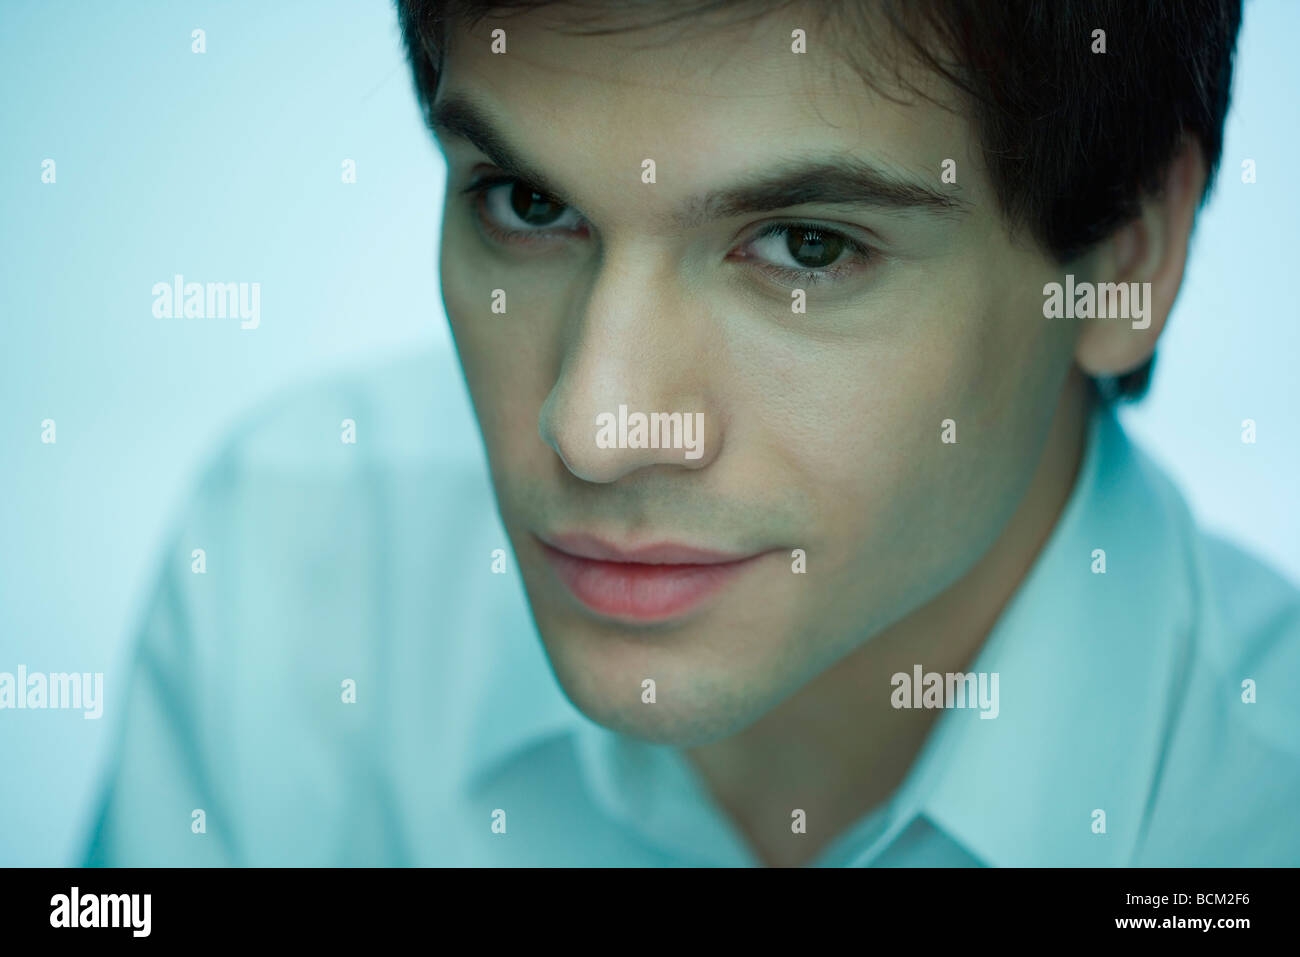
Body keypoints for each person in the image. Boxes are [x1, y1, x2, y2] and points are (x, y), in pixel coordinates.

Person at [84, 0, 1300, 867]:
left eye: (808, 246)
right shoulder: (292, 562)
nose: (595, 428)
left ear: (1122, 260)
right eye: (529, 204)